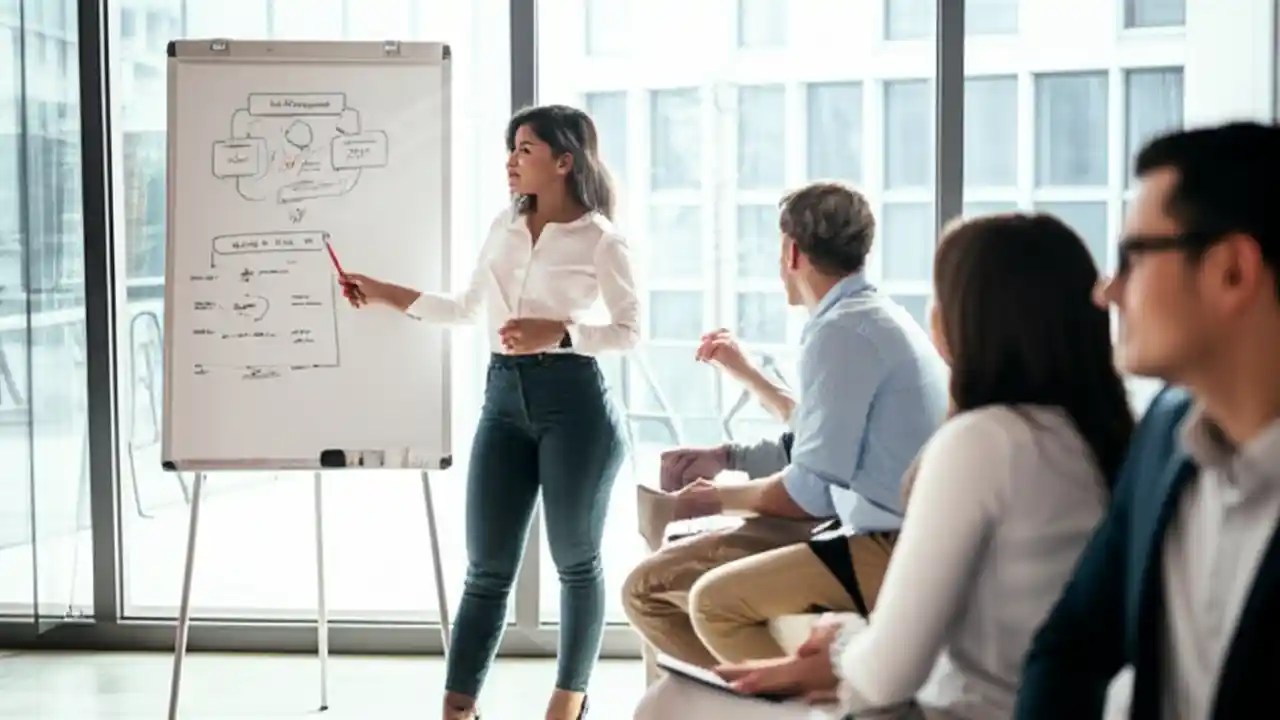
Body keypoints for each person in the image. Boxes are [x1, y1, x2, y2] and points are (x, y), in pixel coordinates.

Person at [637, 211, 1135, 719]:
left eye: (943, 295)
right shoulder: (1092, 436)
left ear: (969, 319)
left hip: (953, 708)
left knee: (668, 701)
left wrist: (837, 642)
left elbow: (887, 673)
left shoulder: (984, 441)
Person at [340, 104, 638, 720]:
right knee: (486, 569)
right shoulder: (504, 227)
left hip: (575, 407)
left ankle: (568, 701)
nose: (511, 160)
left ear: (564, 161)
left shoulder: (602, 238)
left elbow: (631, 332)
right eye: (511, 147)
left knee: (576, 563)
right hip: (502, 401)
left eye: (524, 148)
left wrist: (558, 332)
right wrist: (383, 292)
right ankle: (458, 707)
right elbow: (467, 306)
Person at [623, 181, 948, 668]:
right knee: (689, 552)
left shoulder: (840, 333)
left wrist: (704, 500)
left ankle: (768, 698)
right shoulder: (871, 317)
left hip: (885, 548)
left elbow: (808, 494)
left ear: (792, 251)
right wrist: (731, 448)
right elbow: (822, 442)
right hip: (879, 529)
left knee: (647, 590)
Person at [1015, 122, 1280, 719]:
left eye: (1131, 258)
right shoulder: (1166, 432)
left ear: (1231, 271)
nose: (1107, 292)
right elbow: (1073, 645)